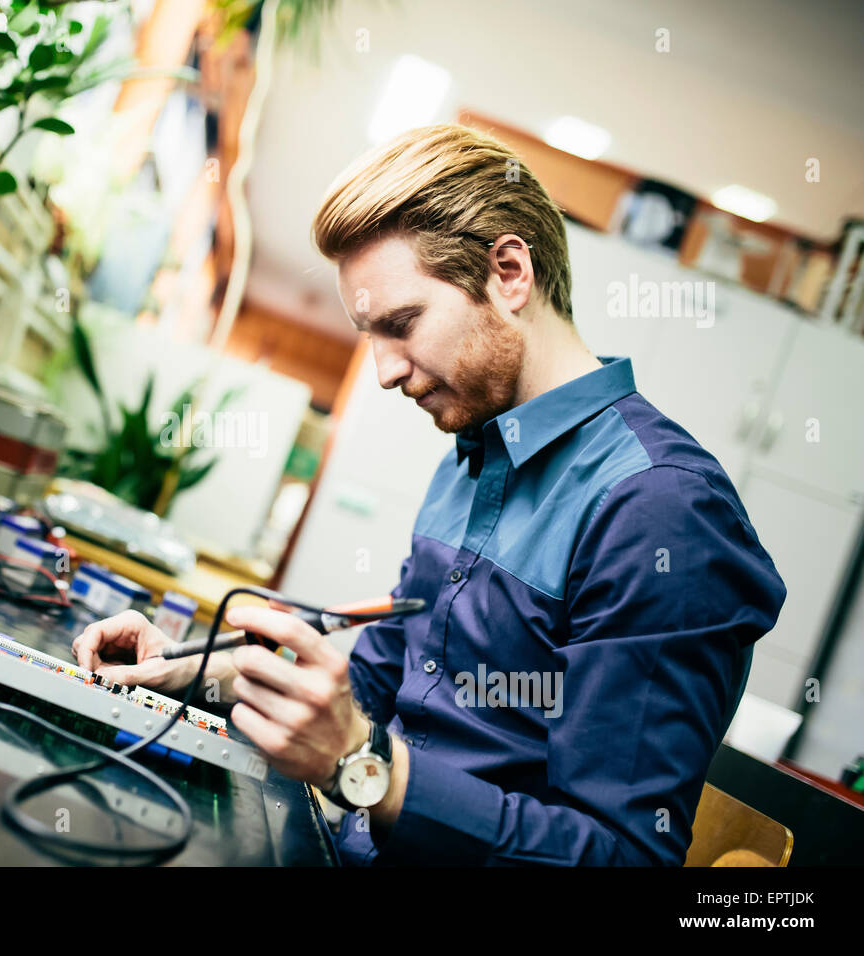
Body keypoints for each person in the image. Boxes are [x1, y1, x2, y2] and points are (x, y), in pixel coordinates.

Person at [72, 124, 785, 866]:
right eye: (368, 335)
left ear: (509, 273)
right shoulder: (473, 454)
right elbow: (381, 680)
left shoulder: (660, 512)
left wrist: (363, 768)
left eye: (402, 325)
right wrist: (190, 673)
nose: (383, 371)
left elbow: (621, 856)